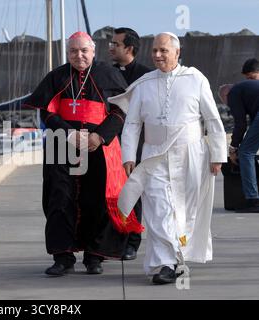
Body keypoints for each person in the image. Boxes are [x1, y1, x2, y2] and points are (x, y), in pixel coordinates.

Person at [108, 32, 226, 284]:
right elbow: (131, 124)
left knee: (186, 209)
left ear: (177, 52)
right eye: (154, 51)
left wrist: (217, 154)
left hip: (191, 153)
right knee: (158, 208)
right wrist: (129, 155)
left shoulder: (196, 79)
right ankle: (165, 263)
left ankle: (179, 252)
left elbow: (213, 119)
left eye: (163, 50)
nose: (158, 55)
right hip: (154, 154)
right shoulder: (144, 84)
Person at [23, 31, 143, 277]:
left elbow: (121, 112)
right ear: (68, 53)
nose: (79, 55)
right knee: (59, 198)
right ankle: (62, 256)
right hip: (61, 142)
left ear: (93, 51)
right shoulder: (57, 76)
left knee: (98, 199)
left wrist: (99, 136)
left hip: (99, 144)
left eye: (84, 50)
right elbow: (46, 113)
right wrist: (68, 133)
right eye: (73, 51)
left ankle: (94, 255)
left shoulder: (109, 75)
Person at [109, 27, 152, 261]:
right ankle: (111, 240)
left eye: (116, 44)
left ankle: (131, 242)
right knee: (109, 193)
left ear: (129, 48)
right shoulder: (105, 72)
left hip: (134, 145)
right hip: (107, 142)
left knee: (132, 192)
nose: (111, 47)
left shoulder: (147, 77)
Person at [219, 58, 259, 212]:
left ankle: (253, 200)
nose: (229, 105)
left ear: (226, 95)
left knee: (246, 153)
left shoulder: (234, 92)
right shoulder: (248, 89)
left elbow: (240, 124)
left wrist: (234, 148)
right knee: (247, 150)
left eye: (226, 102)